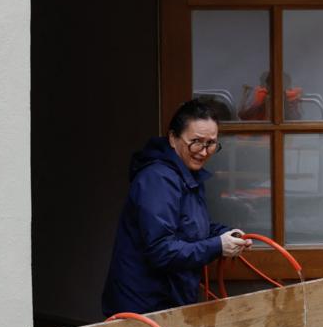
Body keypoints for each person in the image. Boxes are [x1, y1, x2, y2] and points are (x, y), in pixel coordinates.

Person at [101, 99, 251, 315]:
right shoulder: (158, 179)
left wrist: (226, 235)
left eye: (211, 143)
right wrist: (217, 246)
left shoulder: (187, 173)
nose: (204, 151)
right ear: (173, 138)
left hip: (168, 299)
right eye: (196, 142)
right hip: (143, 305)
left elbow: (190, 227)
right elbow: (161, 250)